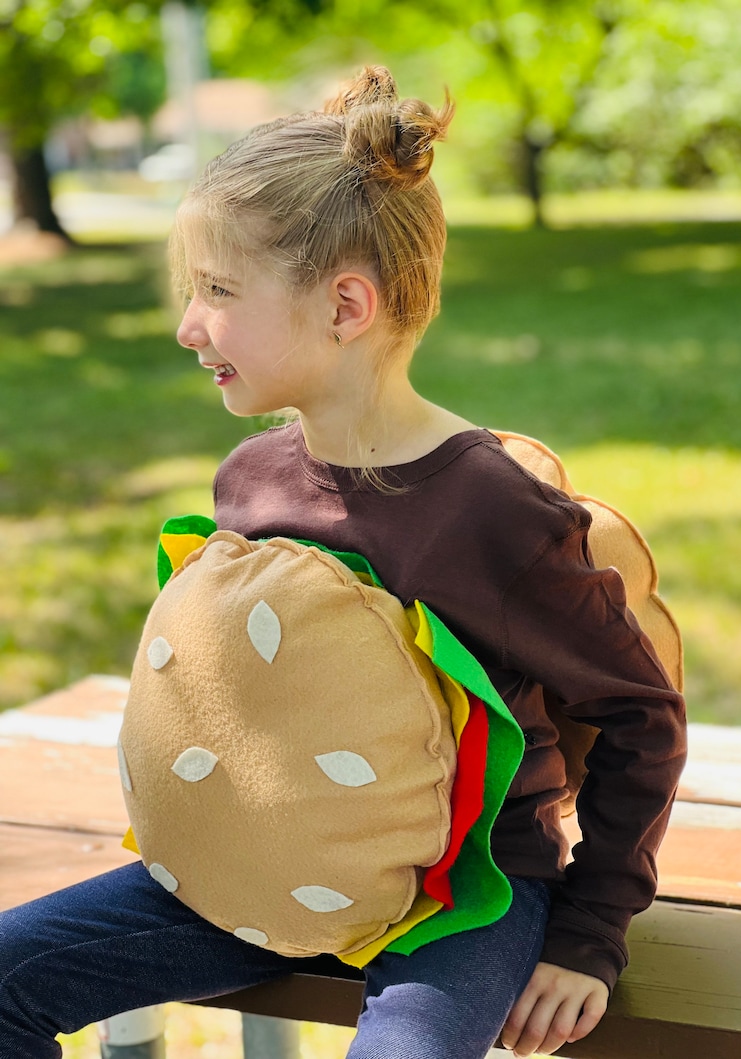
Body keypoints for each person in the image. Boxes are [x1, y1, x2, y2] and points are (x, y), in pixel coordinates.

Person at [0, 66, 686, 1059]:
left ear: (345, 305)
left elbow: (637, 715)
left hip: (457, 901)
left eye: (218, 292)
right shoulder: (250, 478)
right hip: (250, 877)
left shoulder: (491, 515)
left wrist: (588, 936)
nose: (189, 326)